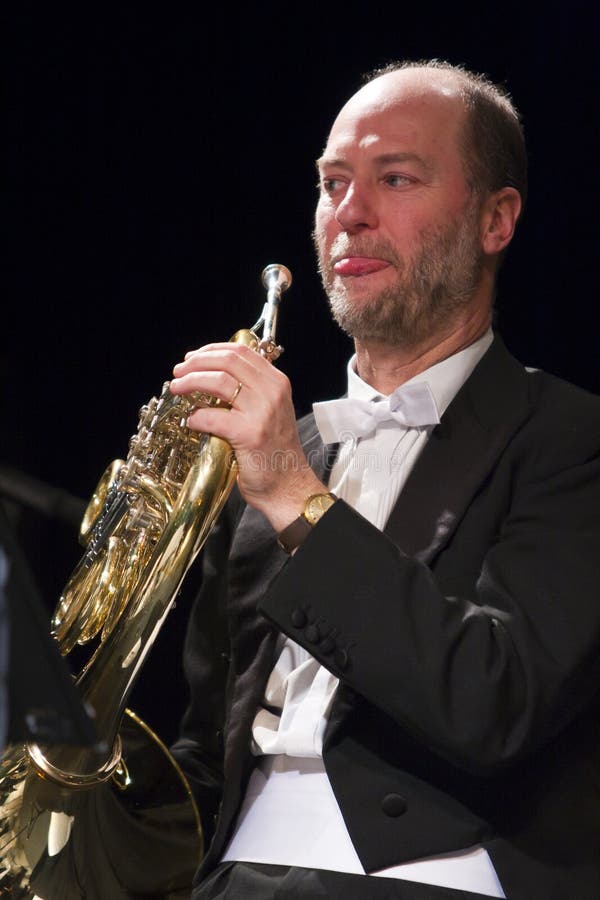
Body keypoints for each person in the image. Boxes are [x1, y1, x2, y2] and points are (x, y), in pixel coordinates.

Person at [169, 60, 600, 900]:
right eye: (333, 183)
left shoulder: (572, 440)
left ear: (495, 218)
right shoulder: (281, 450)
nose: (349, 215)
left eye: (394, 178)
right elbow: (205, 745)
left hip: (443, 872)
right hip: (231, 872)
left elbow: (492, 699)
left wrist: (298, 499)